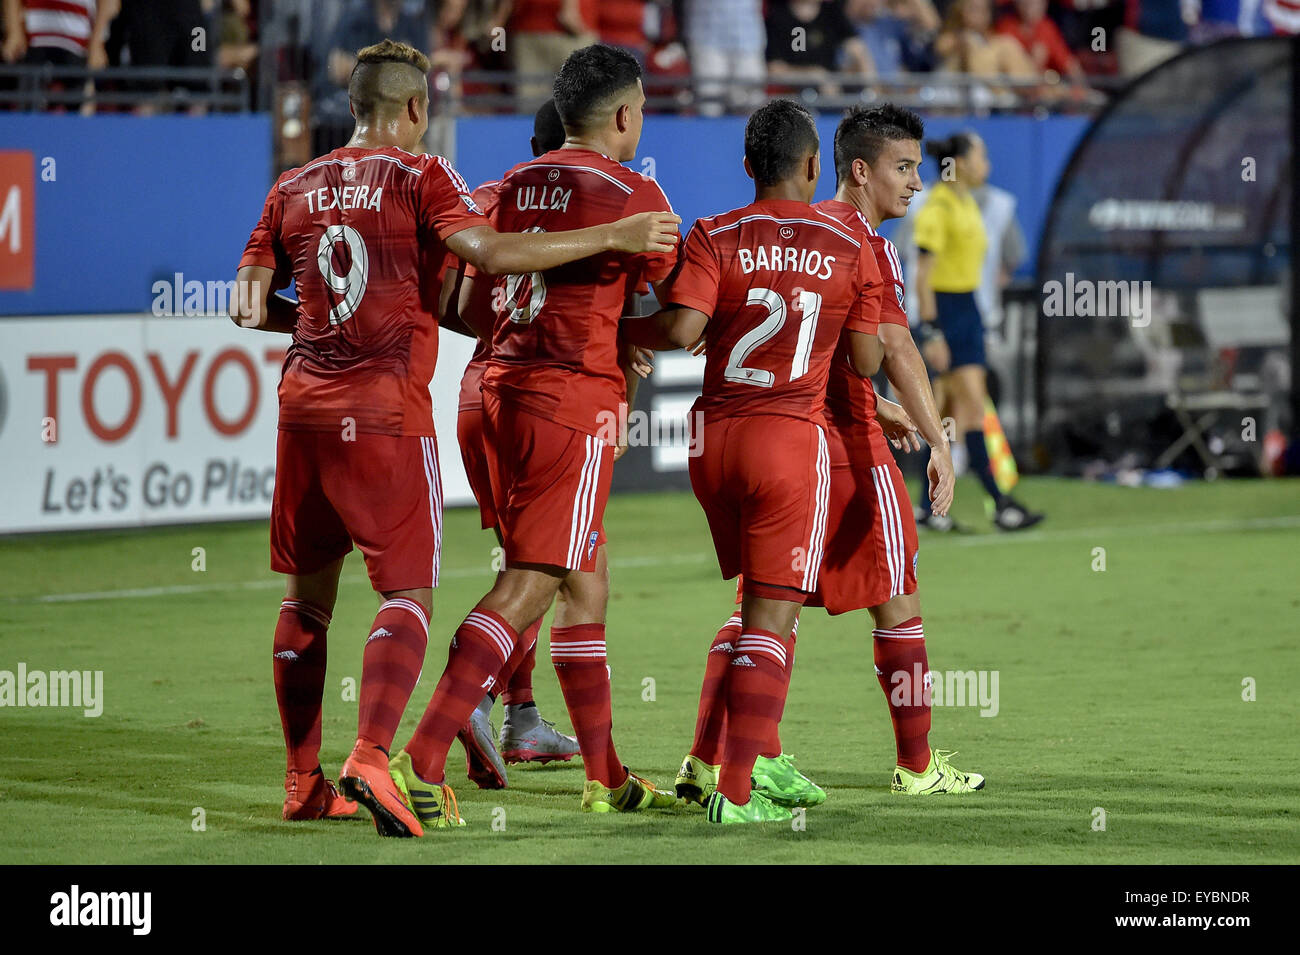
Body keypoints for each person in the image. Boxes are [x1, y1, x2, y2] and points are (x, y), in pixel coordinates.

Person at [230, 39, 680, 831]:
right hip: (402, 406)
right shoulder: (425, 175)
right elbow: (491, 255)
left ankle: (305, 780)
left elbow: (244, 302)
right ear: (414, 109)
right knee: (427, 589)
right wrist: (615, 245)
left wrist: (320, 328)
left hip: (307, 405)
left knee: (307, 599)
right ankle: (396, 753)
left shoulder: (292, 184)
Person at [386, 44, 684, 834]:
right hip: (570, 404)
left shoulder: (507, 185)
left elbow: (458, 288)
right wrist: (634, 327)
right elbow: (681, 313)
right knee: (531, 581)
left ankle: (605, 775)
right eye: (642, 110)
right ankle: (420, 757)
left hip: (500, 385)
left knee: (585, 578)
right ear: (625, 116)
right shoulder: (635, 193)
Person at [674, 105, 985, 806]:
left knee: (757, 607)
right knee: (899, 601)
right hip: (843, 449)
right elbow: (891, 348)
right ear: (858, 169)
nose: (915, 183)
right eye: (905, 168)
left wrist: (881, 404)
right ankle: (916, 763)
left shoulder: (788, 231)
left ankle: (717, 757)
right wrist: (938, 438)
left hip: (779, 437)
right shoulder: (862, 246)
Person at [621, 99, 886, 823]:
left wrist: (616, 329)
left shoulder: (716, 230)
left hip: (710, 442)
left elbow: (680, 329)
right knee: (770, 618)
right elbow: (865, 359)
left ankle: (712, 761)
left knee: (746, 605)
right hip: (788, 440)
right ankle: (735, 793)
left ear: (748, 168)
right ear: (812, 166)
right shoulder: (848, 243)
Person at [443, 98, 583, 791]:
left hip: (480, 390)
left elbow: (455, 304)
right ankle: (480, 691)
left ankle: (522, 715)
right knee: (554, 565)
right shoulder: (595, 200)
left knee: (527, 558)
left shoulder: (494, 194)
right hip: (545, 399)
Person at [911, 130, 1043, 531]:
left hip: (967, 308)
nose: (987, 164)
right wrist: (932, 332)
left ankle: (924, 508)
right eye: (981, 156)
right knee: (969, 407)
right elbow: (923, 278)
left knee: (947, 414)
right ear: (962, 163)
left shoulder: (965, 203)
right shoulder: (937, 208)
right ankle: (1001, 503)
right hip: (948, 312)